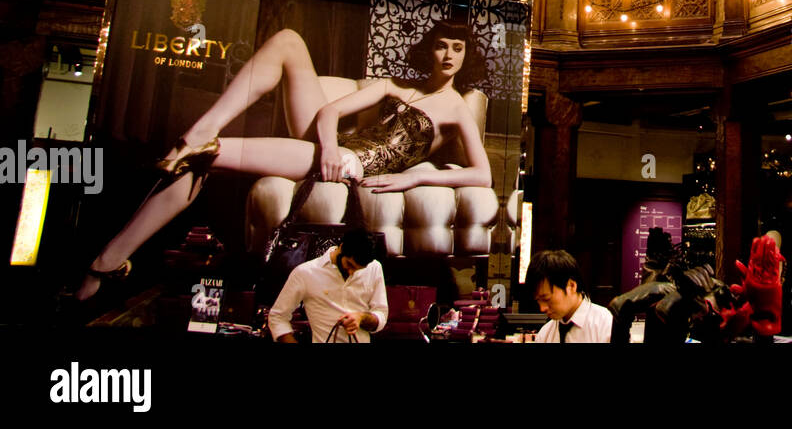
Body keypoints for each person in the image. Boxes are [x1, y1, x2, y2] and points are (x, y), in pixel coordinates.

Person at [75, 20, 492, 300]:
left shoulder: (457, 108)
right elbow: (329, 113)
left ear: (466, 56)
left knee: (205, 158)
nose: (448, 55)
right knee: (289, 40)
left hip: (354, 161)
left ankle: (105, 262)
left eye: (458, 48)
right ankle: (201, 130)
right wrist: (328, 147)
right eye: (441, 46)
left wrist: (415, 180)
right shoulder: (394, 84)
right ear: (430, 51)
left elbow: (482, 174)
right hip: (332, 148)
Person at [268, 228, 389, 343]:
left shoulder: (374, 268)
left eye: (358, 270)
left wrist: (361, 317)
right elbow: (277, 317)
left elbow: (381, 315)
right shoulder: (305, 273)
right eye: (349, 264)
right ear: (341, 247)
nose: (352, 272)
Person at [527, 250, 612, 342]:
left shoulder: (606, 325)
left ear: (571, 286)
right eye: (538, 300)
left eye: (546, 299)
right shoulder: (545, 334)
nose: (542, 308)